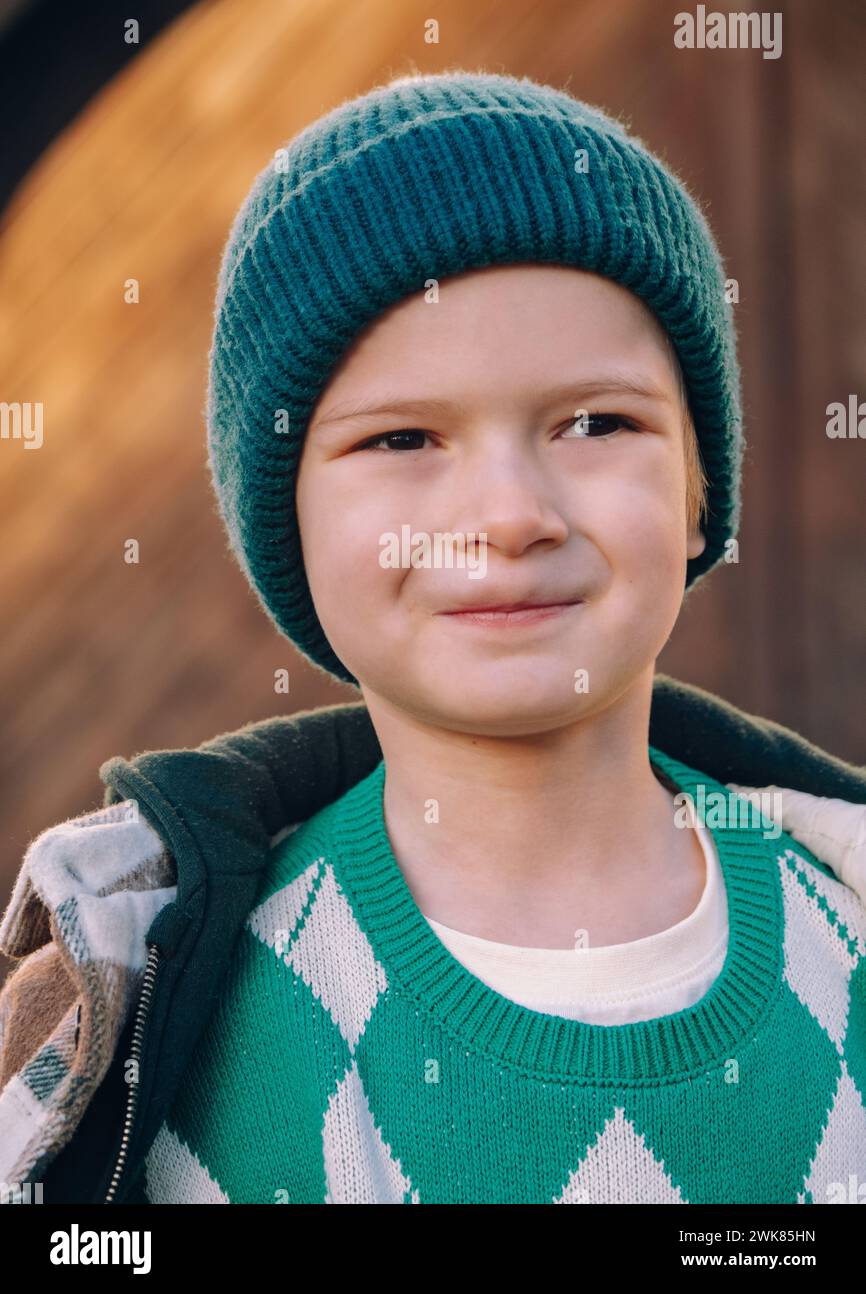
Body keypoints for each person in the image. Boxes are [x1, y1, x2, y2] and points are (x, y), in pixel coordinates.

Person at [2, 70, 865, 1206]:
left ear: (700, 486)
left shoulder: (842, 925)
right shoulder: (161, 1009)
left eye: (596, 422)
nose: (507, 515)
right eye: (404, 438)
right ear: (291, 528)